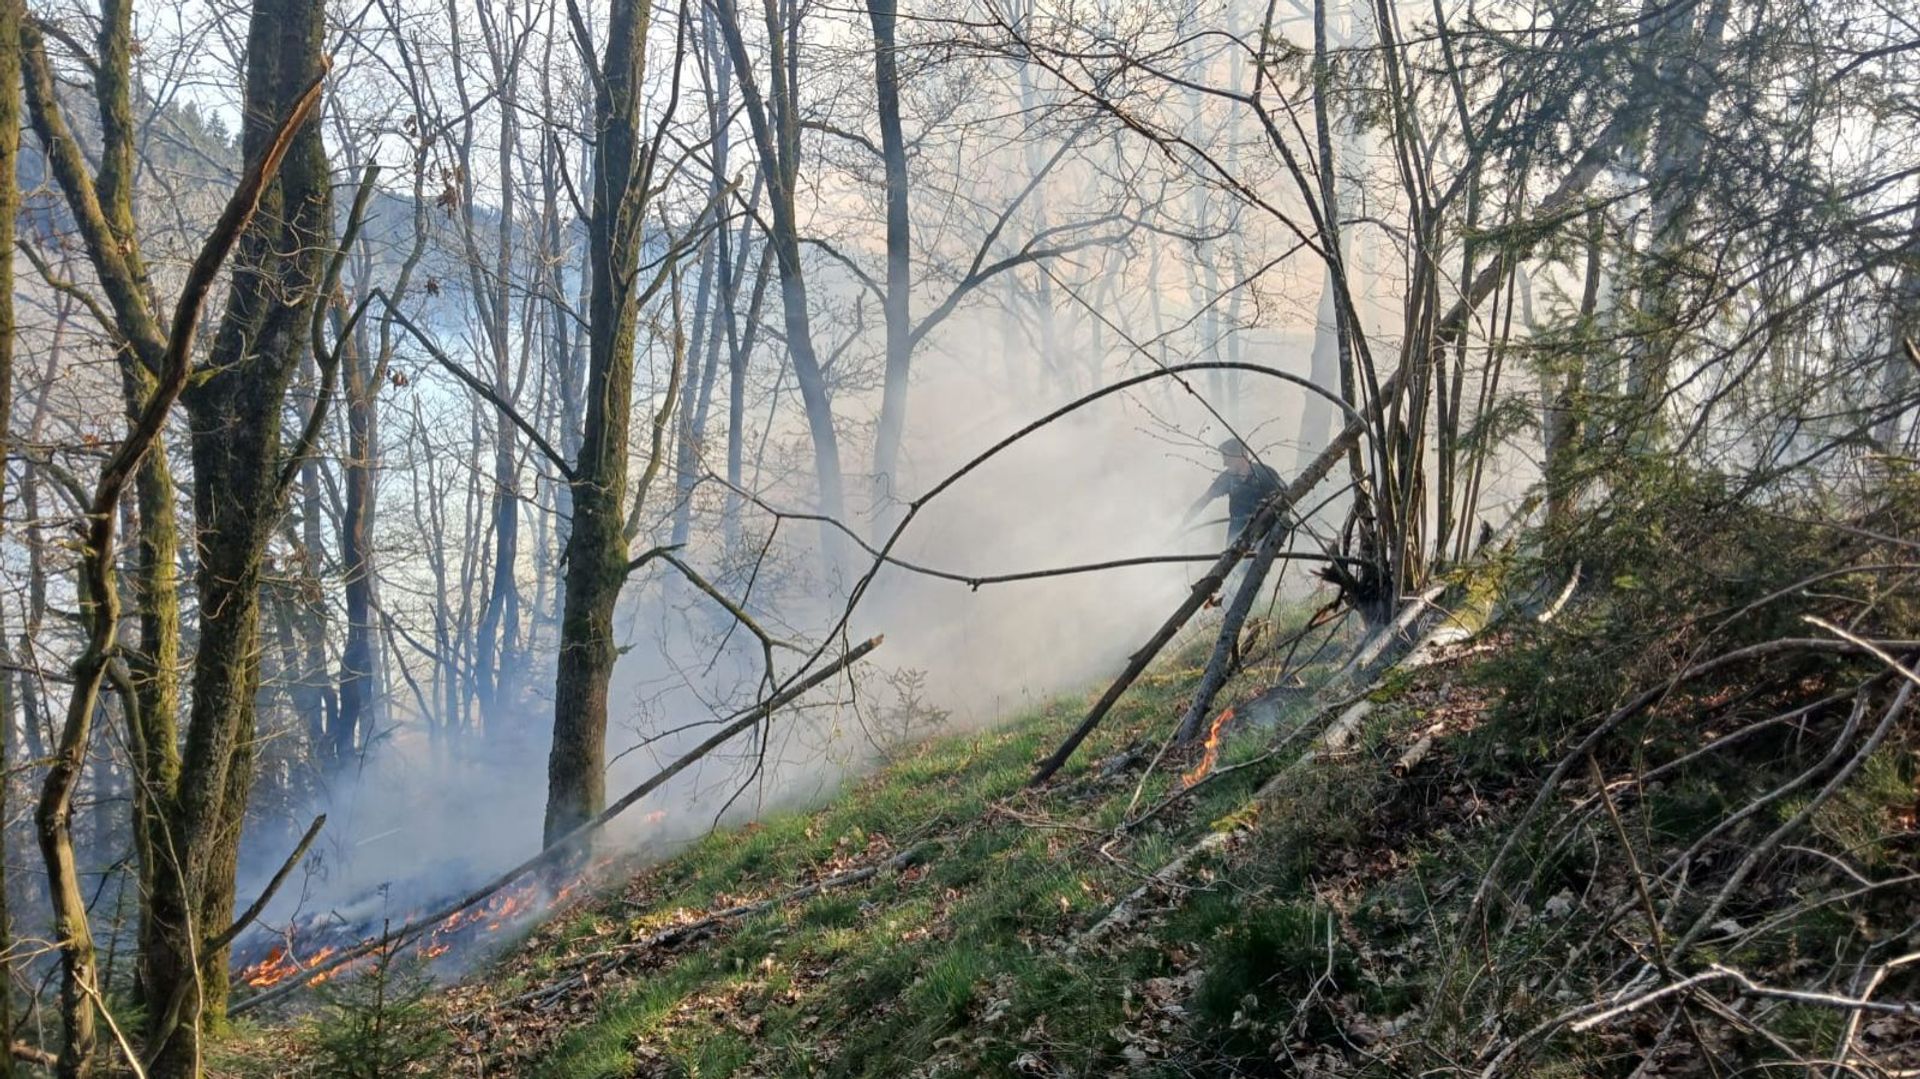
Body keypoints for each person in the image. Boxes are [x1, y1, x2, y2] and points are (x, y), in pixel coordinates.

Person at [1184, 438, 1283, 544]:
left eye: (1228, 459)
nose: (1224, 464)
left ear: (1240, 456)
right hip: (1236, 537)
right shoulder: (1227, 478)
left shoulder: (1265, 473)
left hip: (1262, 535)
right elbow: (1204, 500)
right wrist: (1183, 524)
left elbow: (1285, 497)